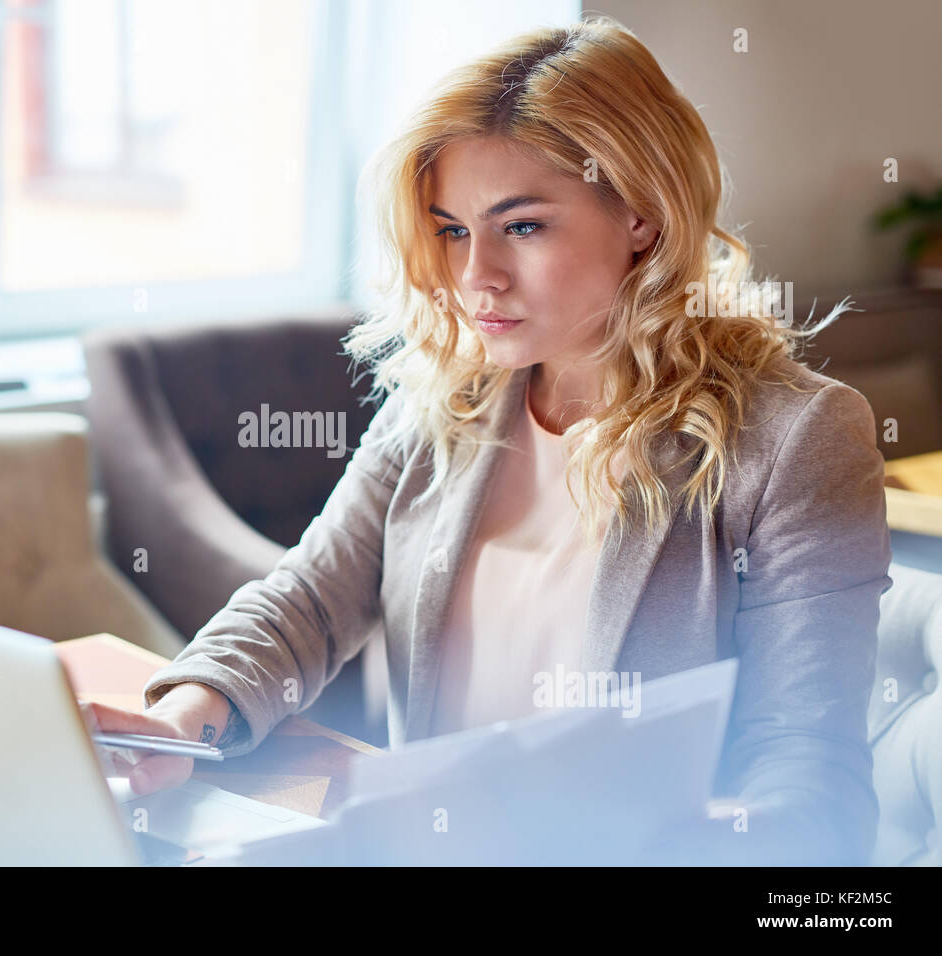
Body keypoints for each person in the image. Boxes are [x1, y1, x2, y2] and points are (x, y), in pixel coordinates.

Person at [87, 15, 892, 866]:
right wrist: (184, 717)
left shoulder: (795, 436)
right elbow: (311, 602)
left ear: (645, 220)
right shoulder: (446, 402)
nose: (476, 277)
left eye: (523, 226)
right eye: (452, 229)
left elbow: (806, 776)